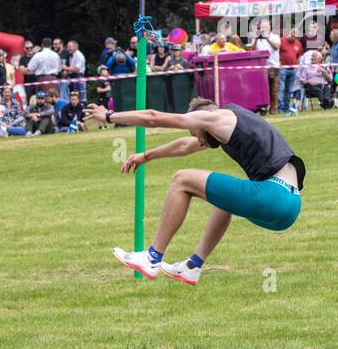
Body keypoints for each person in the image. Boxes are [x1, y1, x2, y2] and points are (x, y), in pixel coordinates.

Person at [101, 96, 306, 286]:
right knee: (224, 196)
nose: (198, 140)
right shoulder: (227, 125)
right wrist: (145, 156)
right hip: (290, 206)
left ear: (201, 121)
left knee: (182, 179)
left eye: (195, 132)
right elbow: (185, 146)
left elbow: (154, 118)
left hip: (272, 196)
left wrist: (110, 116)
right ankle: (193, 266)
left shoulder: (218, 119)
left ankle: (152, 257)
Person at [251, 19, 281, 115]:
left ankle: (273, 110)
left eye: (266, 27)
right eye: (262, 27)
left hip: (274, 66)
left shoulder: (275, 37)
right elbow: (252, 49)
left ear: (270, 27)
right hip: (262, 67)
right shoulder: (256, 37)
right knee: (263, 89)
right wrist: (255, 39)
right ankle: (264, 109)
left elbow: (276, 47)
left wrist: (267, 38)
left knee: (274, 90)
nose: (264, 28)